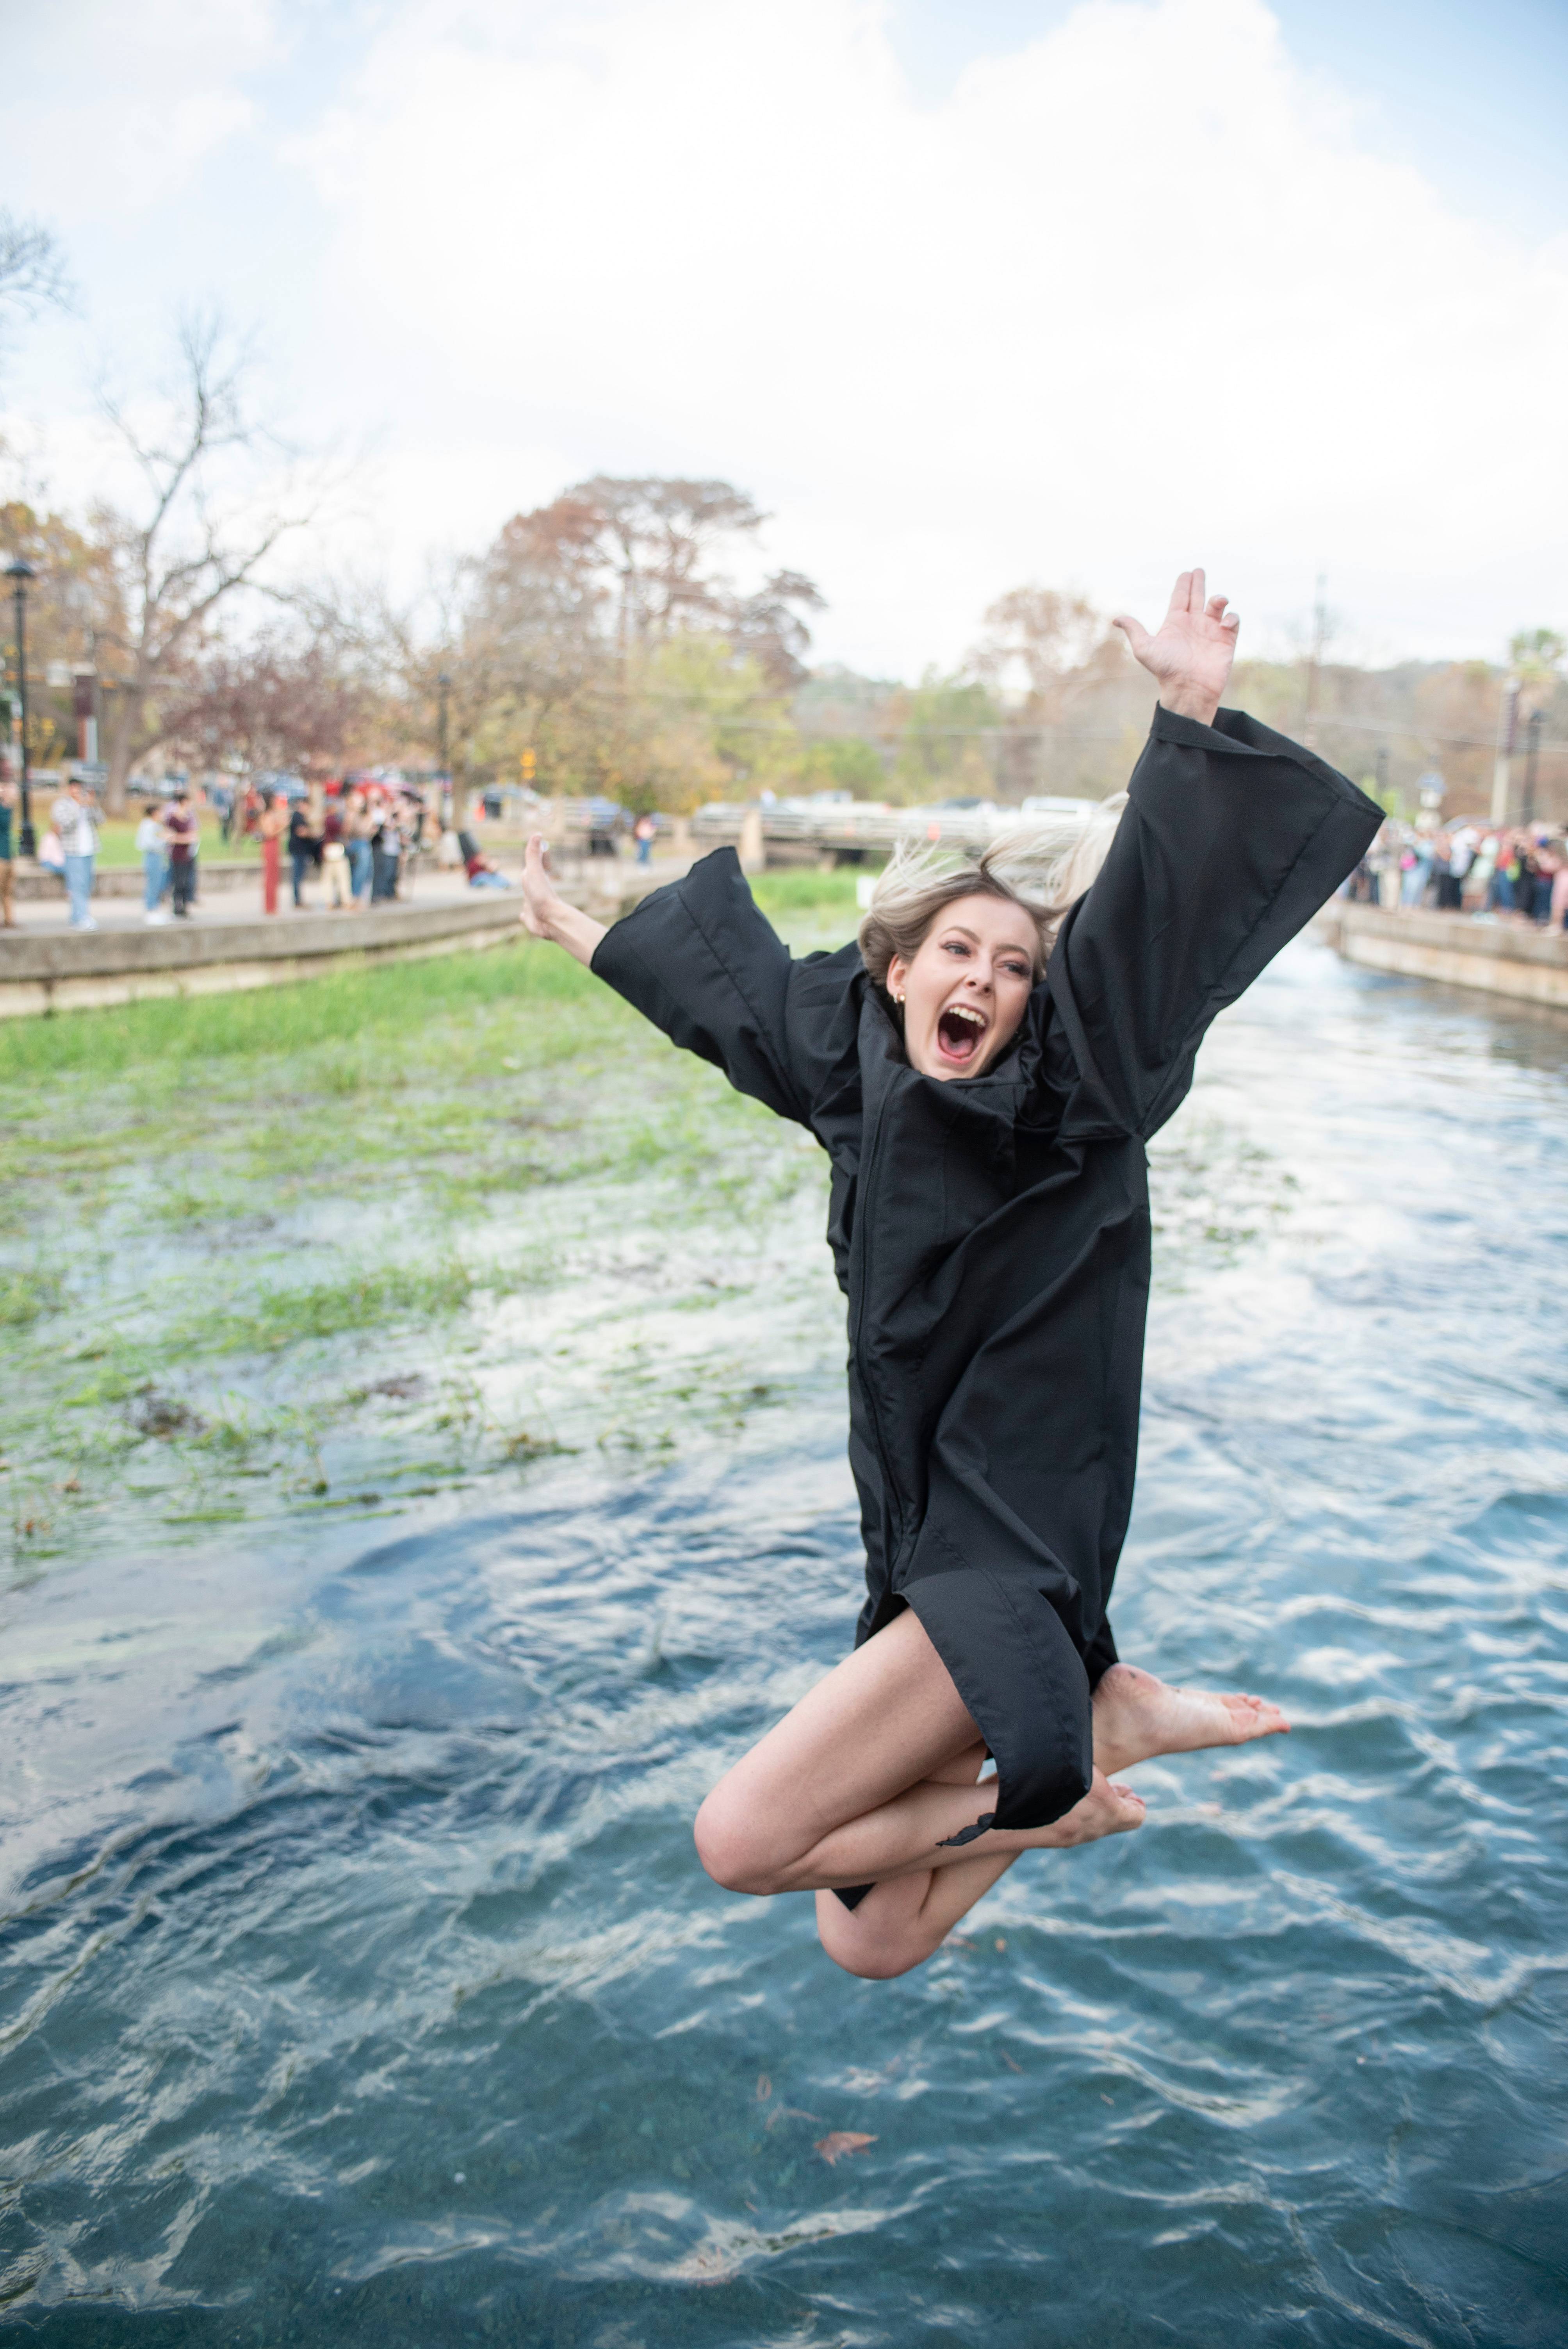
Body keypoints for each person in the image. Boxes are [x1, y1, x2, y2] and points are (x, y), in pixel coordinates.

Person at [518, 570, 1382, 1979]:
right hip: (919, 1532)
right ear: (900, 972)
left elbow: (1154, 930)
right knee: (868, 1933)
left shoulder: (1077, 1095)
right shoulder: (859, 1076)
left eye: (1017, 964)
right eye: (956, 952)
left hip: (1013, 1541)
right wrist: (578, 930)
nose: (984, 976)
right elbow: (733, 1004)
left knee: (740, 1837)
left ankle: (1057, 1796)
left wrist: (1185, 709)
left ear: (1044, 998)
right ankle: (1099, 1721)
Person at [52, 775, 100, 929]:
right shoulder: (62, 805)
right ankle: (82, 918)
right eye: (73, 788)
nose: (76, 791)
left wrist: (92, 805)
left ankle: (76, 917)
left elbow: (101, 821)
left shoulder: (88, 805)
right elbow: (65, 824)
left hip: (89, 849)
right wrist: (78, 807)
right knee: (77, 885)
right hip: (73, 851)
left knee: (86, 885)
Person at [161, 784, 200, 918]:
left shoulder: (189, 817)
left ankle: (185, 904)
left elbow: (195, 834)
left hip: (188, 854)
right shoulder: (172, 818)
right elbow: (169, 837)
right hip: (177, 854)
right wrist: (185, 839)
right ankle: (176, 906)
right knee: (178, 881)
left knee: (186, 881)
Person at [135, 801, 169, 924]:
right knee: (153, 884)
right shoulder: (148, 826)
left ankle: (155, 908)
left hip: (159, 857)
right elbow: (147, 843)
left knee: (159, 883)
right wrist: (163, 839)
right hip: (153, 856)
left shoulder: (156, 825)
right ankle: (150, 910)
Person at [321, 794, 352, 910]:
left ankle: (330, 901)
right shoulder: (332, 820)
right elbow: (343, 830)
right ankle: (346, 901)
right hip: (336, 849)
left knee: (329, 878)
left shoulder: (325, 820)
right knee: (342, 876)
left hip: (328, 849)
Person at [0, 769, 16, 929]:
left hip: (8, 855)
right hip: (1, 856)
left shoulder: (9, 808)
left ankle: (9, 920)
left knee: (8, 890)